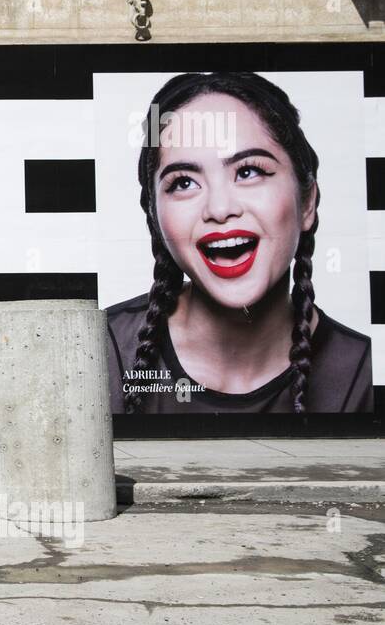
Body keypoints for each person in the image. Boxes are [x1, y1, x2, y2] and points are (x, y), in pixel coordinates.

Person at [107, 71, 372, 414]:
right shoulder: (102, 351)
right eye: (184, 182)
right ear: (155, 220)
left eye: (248, 171)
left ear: (307, 202)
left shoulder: (361, 369)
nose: (220, 209)